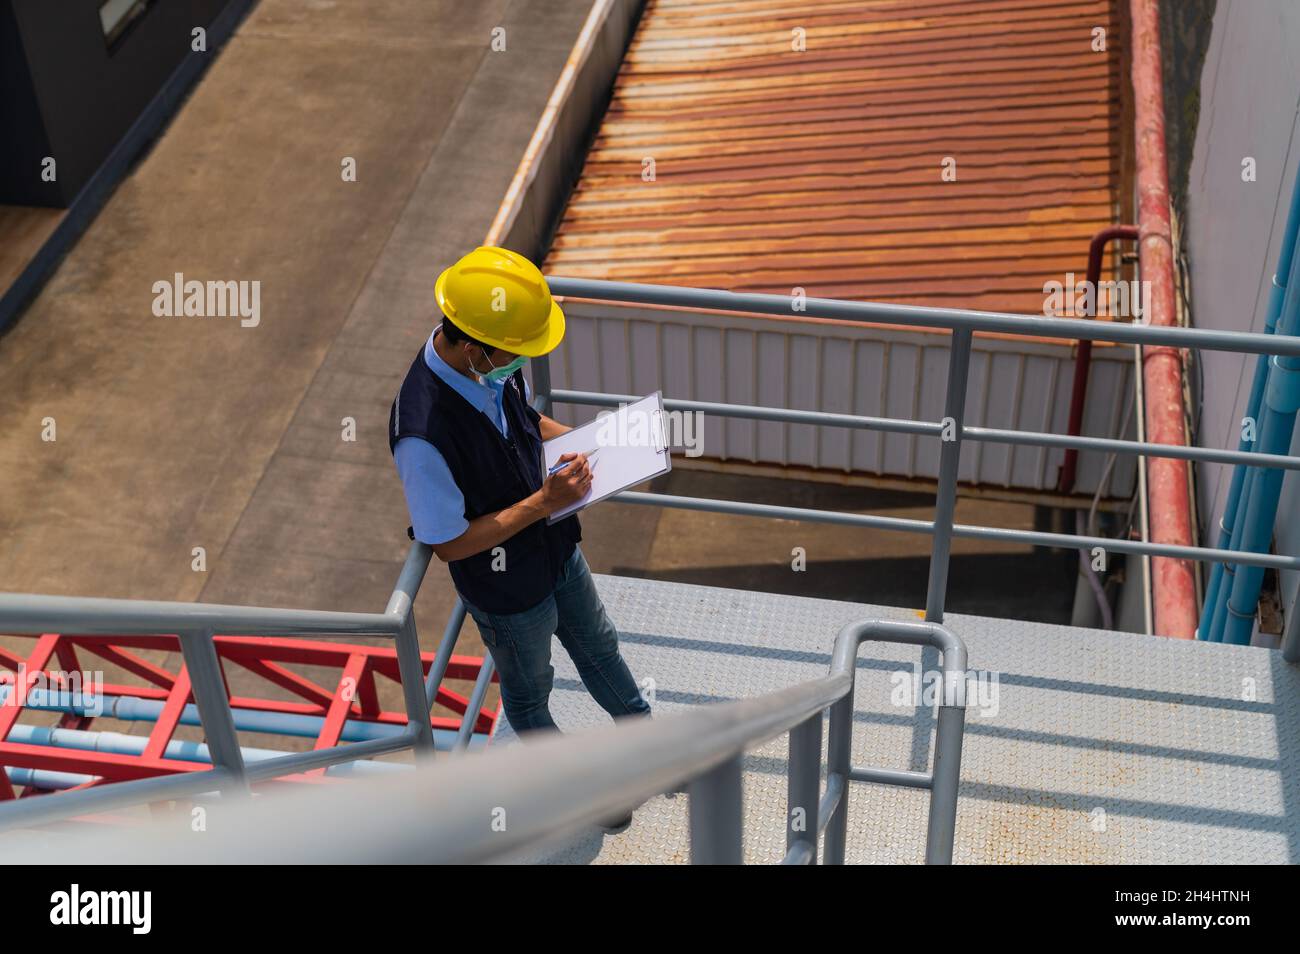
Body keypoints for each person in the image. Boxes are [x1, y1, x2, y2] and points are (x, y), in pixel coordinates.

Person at [389, 246, 652, 766]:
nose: (521, 362)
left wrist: (606, 446)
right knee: (532, 693)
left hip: (556, 550)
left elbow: (526, 425)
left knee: (600, 648)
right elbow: (449, 543)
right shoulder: (422, 434)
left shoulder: (488, 365)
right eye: (513, 353)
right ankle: (569, 783)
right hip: (507, 591)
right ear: (471, 347)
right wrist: (542, 502)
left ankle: (651, 744)